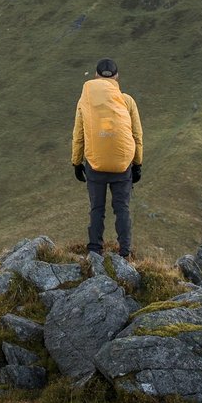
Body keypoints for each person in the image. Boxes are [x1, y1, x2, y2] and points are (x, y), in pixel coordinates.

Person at [71, 57, 143, 258]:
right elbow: (136, 135)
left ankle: (94, 250)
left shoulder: (84, 100)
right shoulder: (127, 101)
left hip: (95, 164)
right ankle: (125, 253)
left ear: (96, 76)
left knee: (97, 208)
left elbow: (79, 134)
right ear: (117, 77)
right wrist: (137, 164)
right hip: (122, 166)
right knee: (122, 209)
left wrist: (77, 162)